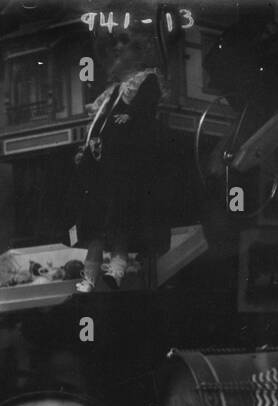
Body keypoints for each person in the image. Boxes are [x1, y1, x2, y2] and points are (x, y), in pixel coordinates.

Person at [72, 25, 175, 292]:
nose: (117, 48)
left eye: (124, 42)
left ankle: (116, 270)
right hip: (105, 169)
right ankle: (89, 275)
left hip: (127, 167)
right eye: (114, 43)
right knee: (98, 224)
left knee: (121, 218)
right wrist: (88, 148)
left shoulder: (145, 81)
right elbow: (99, 126)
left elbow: (143, 115)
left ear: (139, 50)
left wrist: (128, 120)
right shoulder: (112, 93)